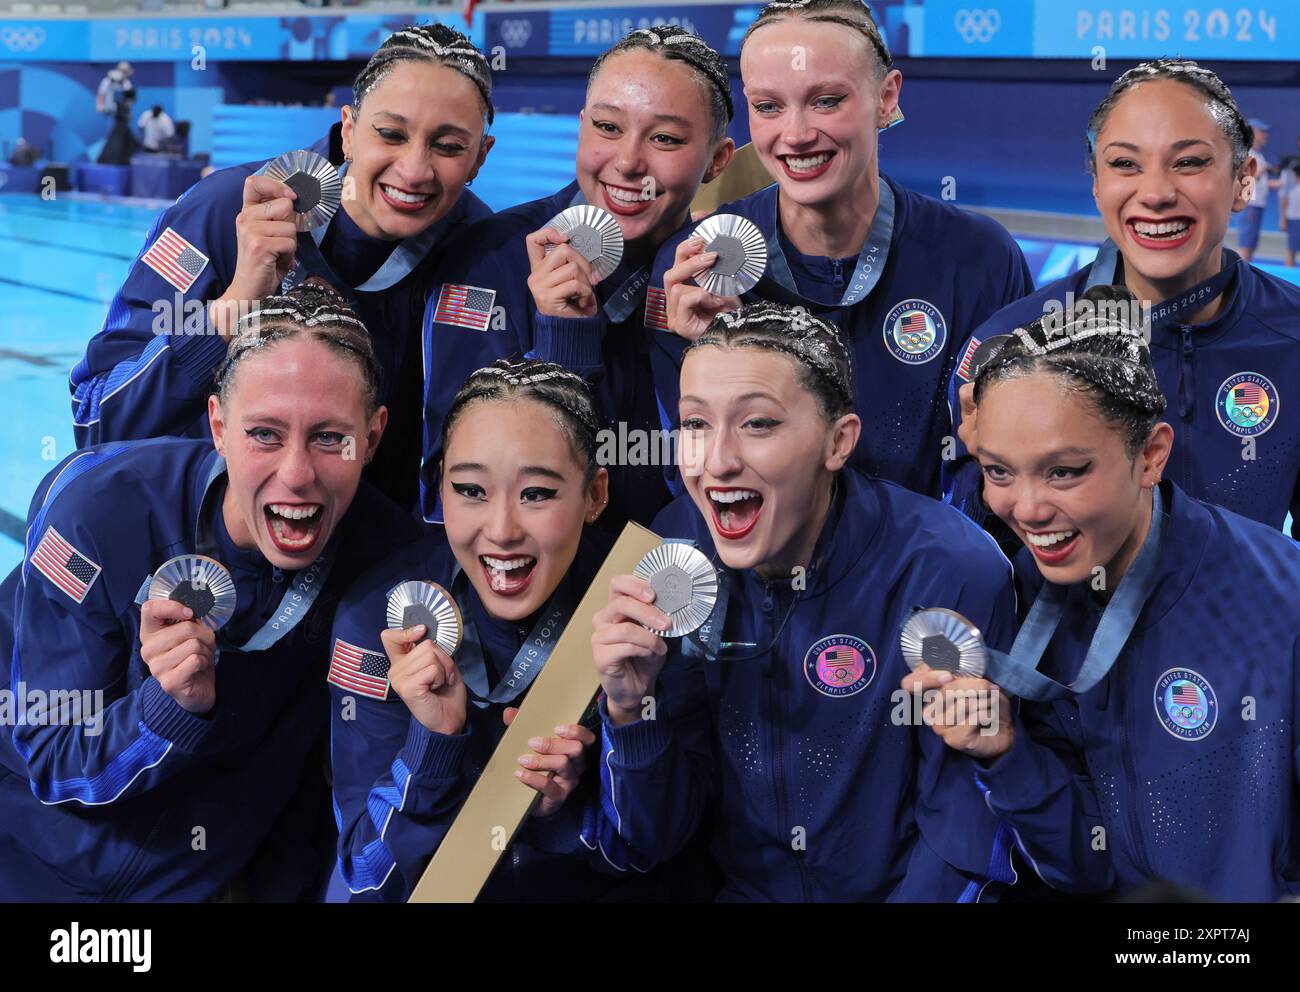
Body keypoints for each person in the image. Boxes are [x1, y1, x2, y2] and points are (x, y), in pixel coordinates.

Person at [0, 284, 423, 901]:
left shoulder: (385, 561)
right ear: (219, 426)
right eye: (265, 435)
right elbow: (50, 757)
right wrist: (165, 710)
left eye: (332, 438)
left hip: (198, 877)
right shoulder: (100, 515)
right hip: (30, 855)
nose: (298, 474)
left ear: (374, 437)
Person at [589, 301, 1021, 901]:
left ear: (838, 441)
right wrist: (631, 713)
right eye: (694, 425)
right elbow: (658, 838)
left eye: (758, 424)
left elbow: (963, 844)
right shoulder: (675, 553)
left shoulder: (949, 572)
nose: (717, 461)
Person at [912, 291, 1300, 901]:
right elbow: (1084, 868)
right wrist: (1007, 755)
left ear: (1151, 455)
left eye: (1064, 471)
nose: (1029, 508)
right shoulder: (1019, 604)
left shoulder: (1281, 605)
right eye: (999, 471)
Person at [72, 24, 496, 510]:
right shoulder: (221, 211)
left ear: (480, 157)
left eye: (448, 147)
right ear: (350, 130)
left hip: (383, 569)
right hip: (212, 560)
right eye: (391, 134)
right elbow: (96, 420)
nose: (415, 169)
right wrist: (230, 310)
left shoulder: (481, 255)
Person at [649, 0, 1033, 500]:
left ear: (886, 97)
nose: (797, 134)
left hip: (929, 569)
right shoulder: (696, 265)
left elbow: (1006, 469)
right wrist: (708, 352)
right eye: (768, 107)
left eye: (827, 101)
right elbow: (690, 481)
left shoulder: (979, 259)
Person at [948, 60, 1300, 541]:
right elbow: (978, 551)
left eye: (1189, 162)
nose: (1155, 193)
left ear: (1245, 180)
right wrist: (990, 472)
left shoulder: (1292, 334)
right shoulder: (1013, 344)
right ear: (1096, 182)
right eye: (1125, 164)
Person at [330, 359, 631, 901]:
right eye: (470, 490)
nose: (501, 530)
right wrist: (433, 744)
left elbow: (658, 847)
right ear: (438, 491)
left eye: (536, 494)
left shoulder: (631, 601)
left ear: (595, 496)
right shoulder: (376, 613)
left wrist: (560, 815)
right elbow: (363, 873)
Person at [419, 26, 736, 531]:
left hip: (681, 582)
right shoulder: (486, 262)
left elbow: (734, 495)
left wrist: (706, 357)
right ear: (581, 126)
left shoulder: (730, 283)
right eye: (608, 128)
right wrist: (562, 347)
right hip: (527, 585)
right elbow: (451, 495)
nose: (630, 162)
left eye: (665, 139)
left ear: (717, 160)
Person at [1237, 118, 1282, 262]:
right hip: (1249, 205)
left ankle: (1246, 275)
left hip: (1257, 205)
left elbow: (1260, 182)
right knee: (1246, 243)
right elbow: (1244, 180)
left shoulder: (1259, 156)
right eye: (1262, 132)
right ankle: (1240, 277)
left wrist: (1279, 183)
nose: (1265, 135)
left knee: (1252, 244)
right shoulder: (1247, 154)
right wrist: (1261, 170)